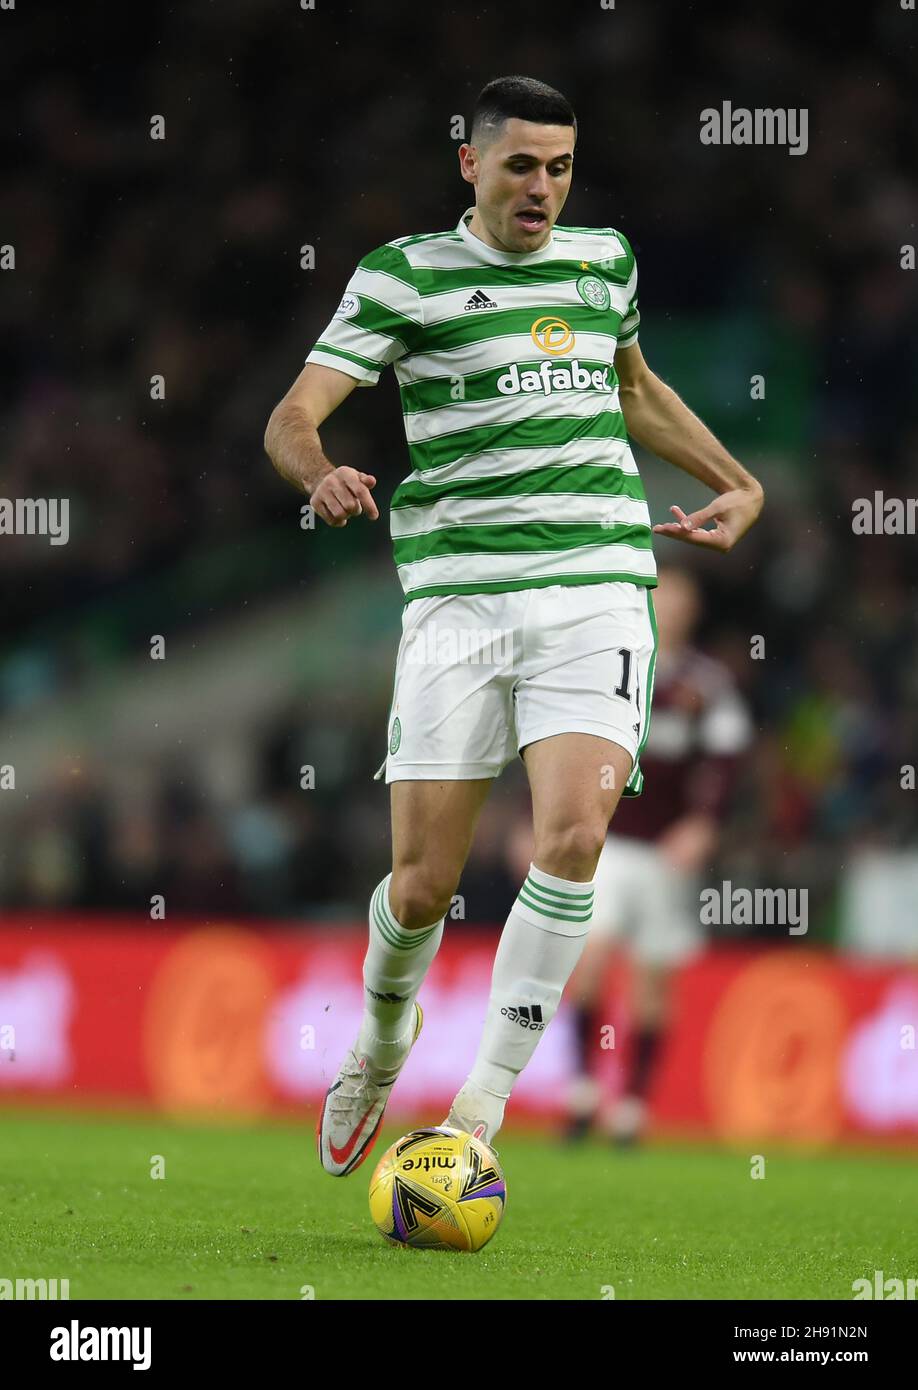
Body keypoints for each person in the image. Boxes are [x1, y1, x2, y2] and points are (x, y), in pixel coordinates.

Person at [263, 75, 764, 1176]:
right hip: (458, 599)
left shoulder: (605, 262)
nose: (544, 187)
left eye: (561, 167)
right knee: (422, 886)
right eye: (523, 165)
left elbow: (631, 390)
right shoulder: (405, 275)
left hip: (594, 583)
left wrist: (737, 478)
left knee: (575, 836)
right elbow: (294, 414)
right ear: (471, 164)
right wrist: (321, 473)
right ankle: (383, 1045)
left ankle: (475, 1118)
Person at [566, 565, 753, 1144]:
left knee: (651, 978)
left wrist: (704, 824)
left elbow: (728, 759)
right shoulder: (614, 667)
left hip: (666, 853)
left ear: (691, 610)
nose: (670, 608)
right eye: (662, 596)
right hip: (610, 843)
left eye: (681, 598)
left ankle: (634, 1108)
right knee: (591, 960)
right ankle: (584, 1091)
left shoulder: (707, 684)